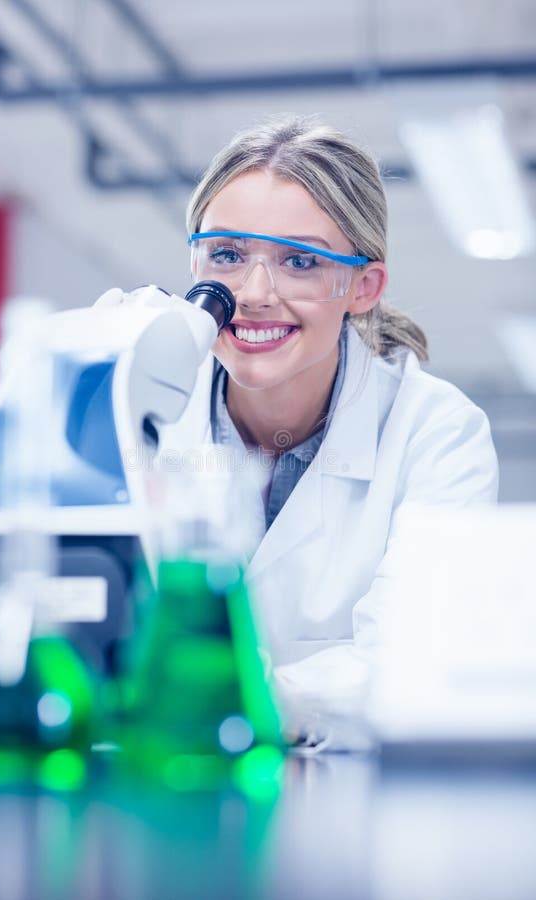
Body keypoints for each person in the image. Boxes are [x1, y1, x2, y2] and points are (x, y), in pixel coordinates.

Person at [115, 116, 499, 747]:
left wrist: (236, 696)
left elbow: (414, 663)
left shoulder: (436, 434)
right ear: (196, 260)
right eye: (229, 256)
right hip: (157, 782)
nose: (254, 294)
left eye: (300, 262)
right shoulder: (134, 408)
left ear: (362, 286)